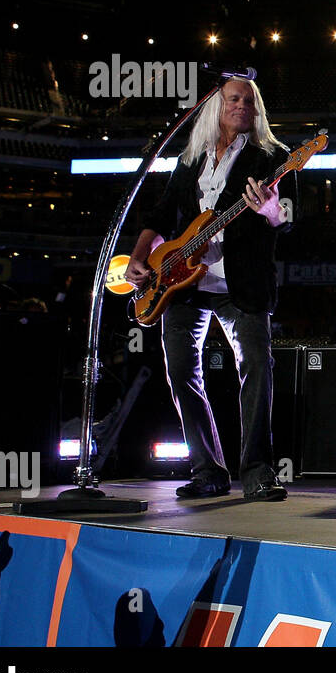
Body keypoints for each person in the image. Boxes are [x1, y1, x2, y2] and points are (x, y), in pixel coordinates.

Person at [124, 76, 296, 501]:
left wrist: (272, 211)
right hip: (181, 282)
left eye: (249, 100)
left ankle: (257, 470)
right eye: (234, 98)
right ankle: (207, 470)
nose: (242, 105)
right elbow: (162, 213)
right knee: (181, 371)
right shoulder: (192, 158)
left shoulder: (273, 157)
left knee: (256, 366)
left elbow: (289, 218)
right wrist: (140, 254)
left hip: (243, 283)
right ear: (215, 107)